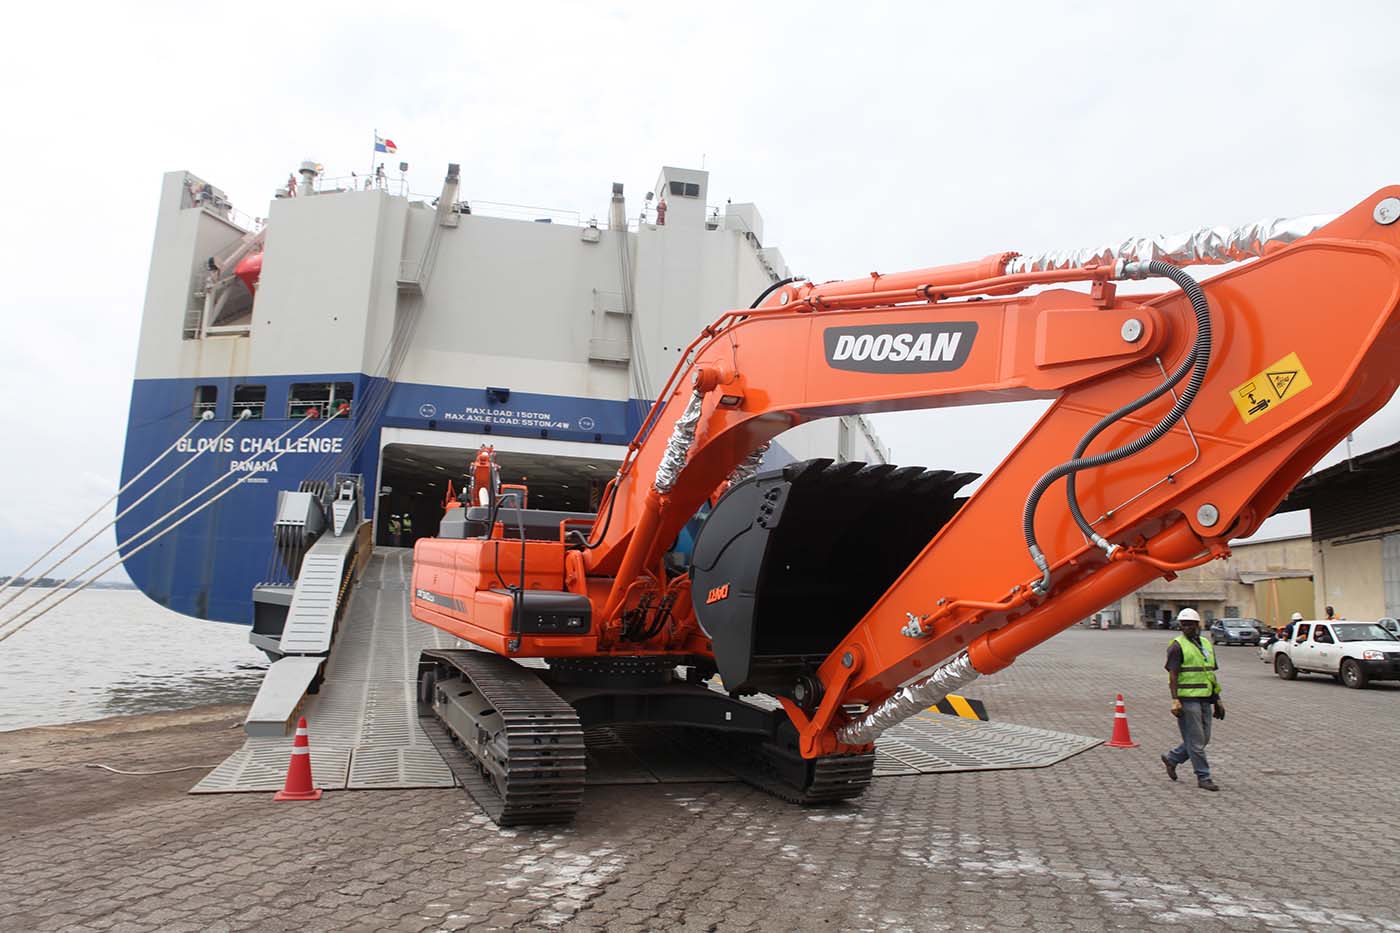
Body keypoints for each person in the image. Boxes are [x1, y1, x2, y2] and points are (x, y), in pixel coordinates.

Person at [1161, 608, 1225, 791]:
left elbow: (1210, 674)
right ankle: (1203, 777)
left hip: (1205, 698)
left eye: (1190, 624)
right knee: (1196, 741)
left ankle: (1172, 758)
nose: (1186, 628)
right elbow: (1173, 676)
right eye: (1183, 625)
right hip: (1188, 700)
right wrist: (1175, 700)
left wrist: (1218, 700)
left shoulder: (1206, 644)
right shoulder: (1176, 646)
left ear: (1198, 625)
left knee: (1204, 739)